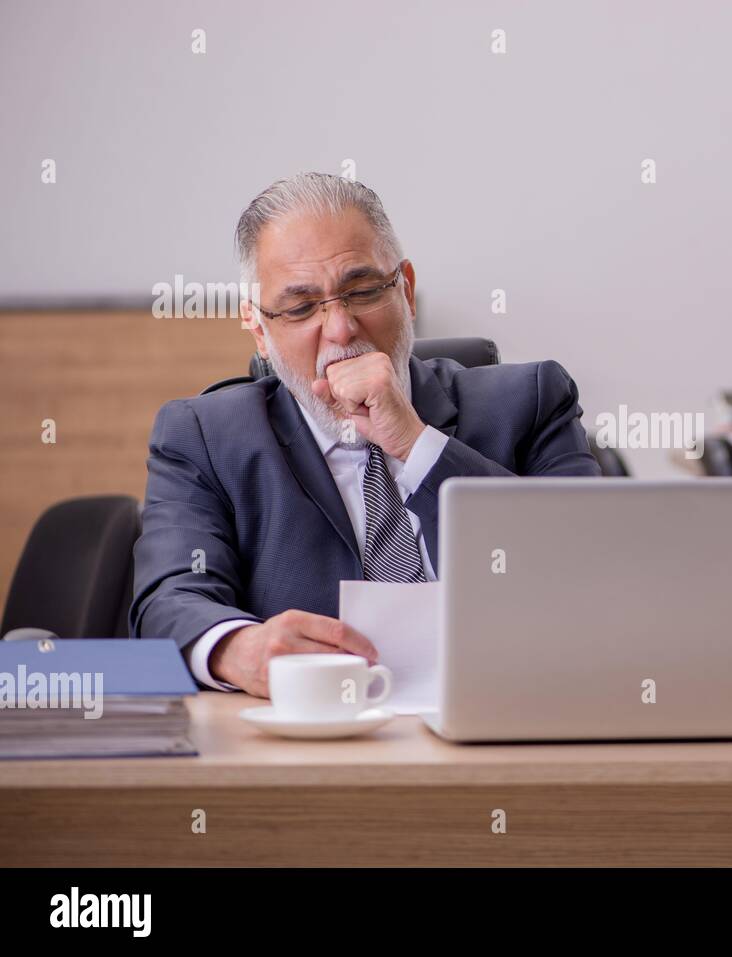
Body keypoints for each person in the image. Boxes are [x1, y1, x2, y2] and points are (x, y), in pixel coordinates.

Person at [130, 173, 599, 695]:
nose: (340, 329)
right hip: (317, 732)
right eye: (300, 308)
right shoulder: (204, 438)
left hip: (507, 717)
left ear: (407, 290)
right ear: (259, 328)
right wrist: (240, 650)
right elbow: (169, 600)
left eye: (362, 291)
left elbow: (594, 570)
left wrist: (417, 446)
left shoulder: (532, 400)